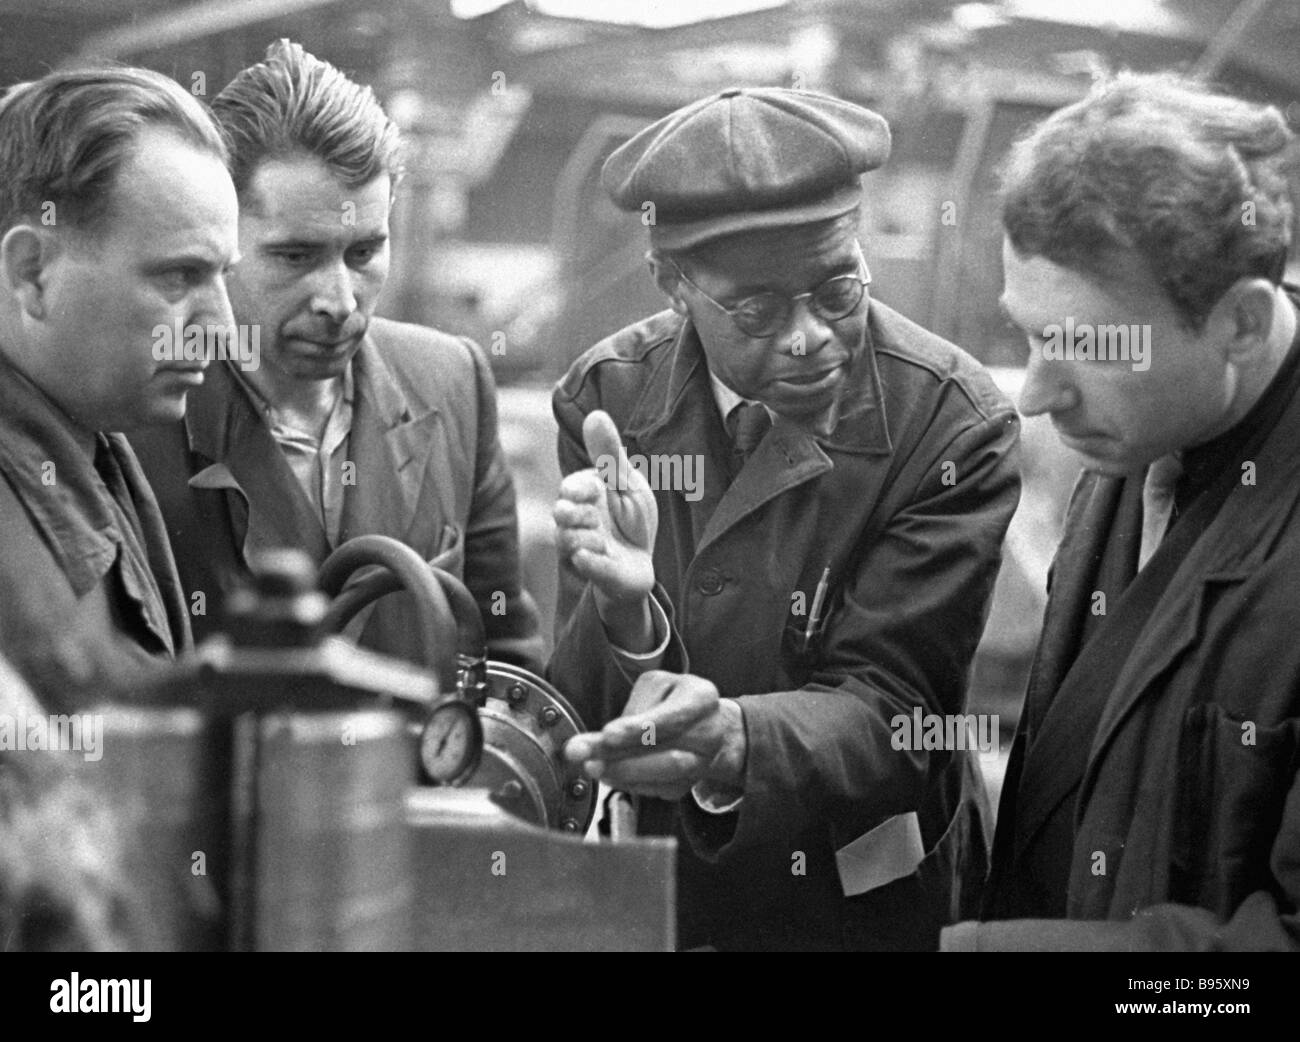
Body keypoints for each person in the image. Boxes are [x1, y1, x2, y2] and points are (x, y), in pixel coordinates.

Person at [549, 87, 1021, 950]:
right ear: (672, 283)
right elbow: (582, 709)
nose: (808, 336)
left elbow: (899, 710)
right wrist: (625, 611)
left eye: (837, 289)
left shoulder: (950, 424)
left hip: (869, 889)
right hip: (675, 884)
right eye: (758, 310)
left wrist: (737, 738)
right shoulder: (607, 401)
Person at [944, 73, 1300, 951]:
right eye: (1029, 334)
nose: (1033, 395)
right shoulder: (1137, 437)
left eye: (1086, 345)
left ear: (1242, 326)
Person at [132, 40, 543, 672]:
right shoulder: (139, 410)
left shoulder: (452, 382)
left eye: (363, 252)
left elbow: (506, 654)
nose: (340, 300)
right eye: (296, 256)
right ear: (221, 240)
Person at [0, 66, 238, 708]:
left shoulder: (91, 441)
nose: (220, 332)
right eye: (179, 276)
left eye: (222, 277)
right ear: (33, 273)